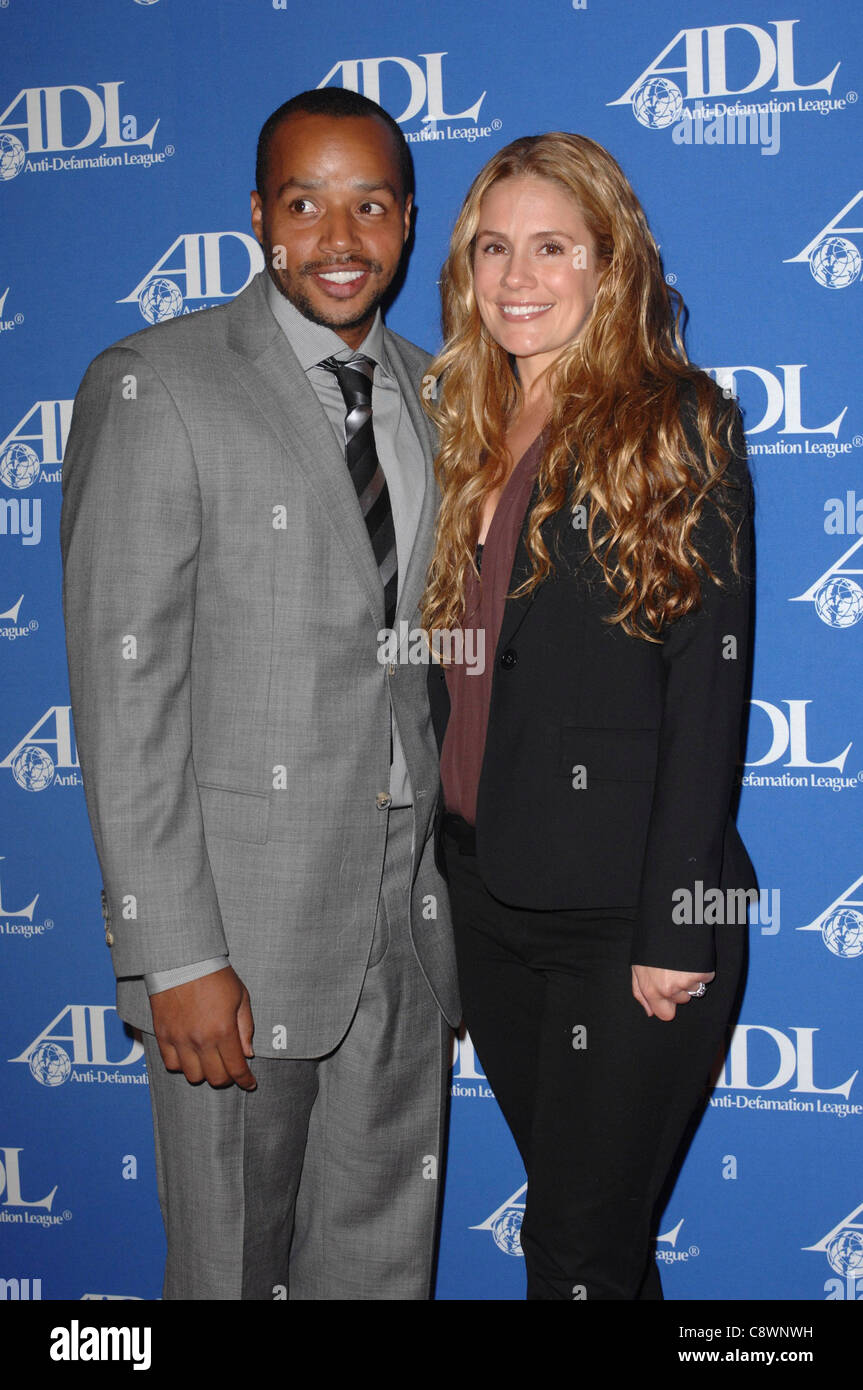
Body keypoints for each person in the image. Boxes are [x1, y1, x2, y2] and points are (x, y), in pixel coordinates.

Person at [60, 88, 460, 1301]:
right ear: (257, 218)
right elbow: (122, 701)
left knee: (382, 1265)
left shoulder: (442, 392)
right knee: (230, 1268)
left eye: (370, 204)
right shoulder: (156, 384)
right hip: (232, 935)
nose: (339, 237)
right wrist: (173, 951)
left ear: (404, 221)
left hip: (407, 915)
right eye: (304, 203)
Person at [423, 132, 756, 1300]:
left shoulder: (677, 419)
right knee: (586, 1246)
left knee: (572, 1250)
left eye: (551, 246)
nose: (517, 277)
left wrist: (677, 917)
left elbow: (709, 682)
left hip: (626, 918)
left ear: (608, 261)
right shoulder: (455, 422)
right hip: (483, 899)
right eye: (491, 248)